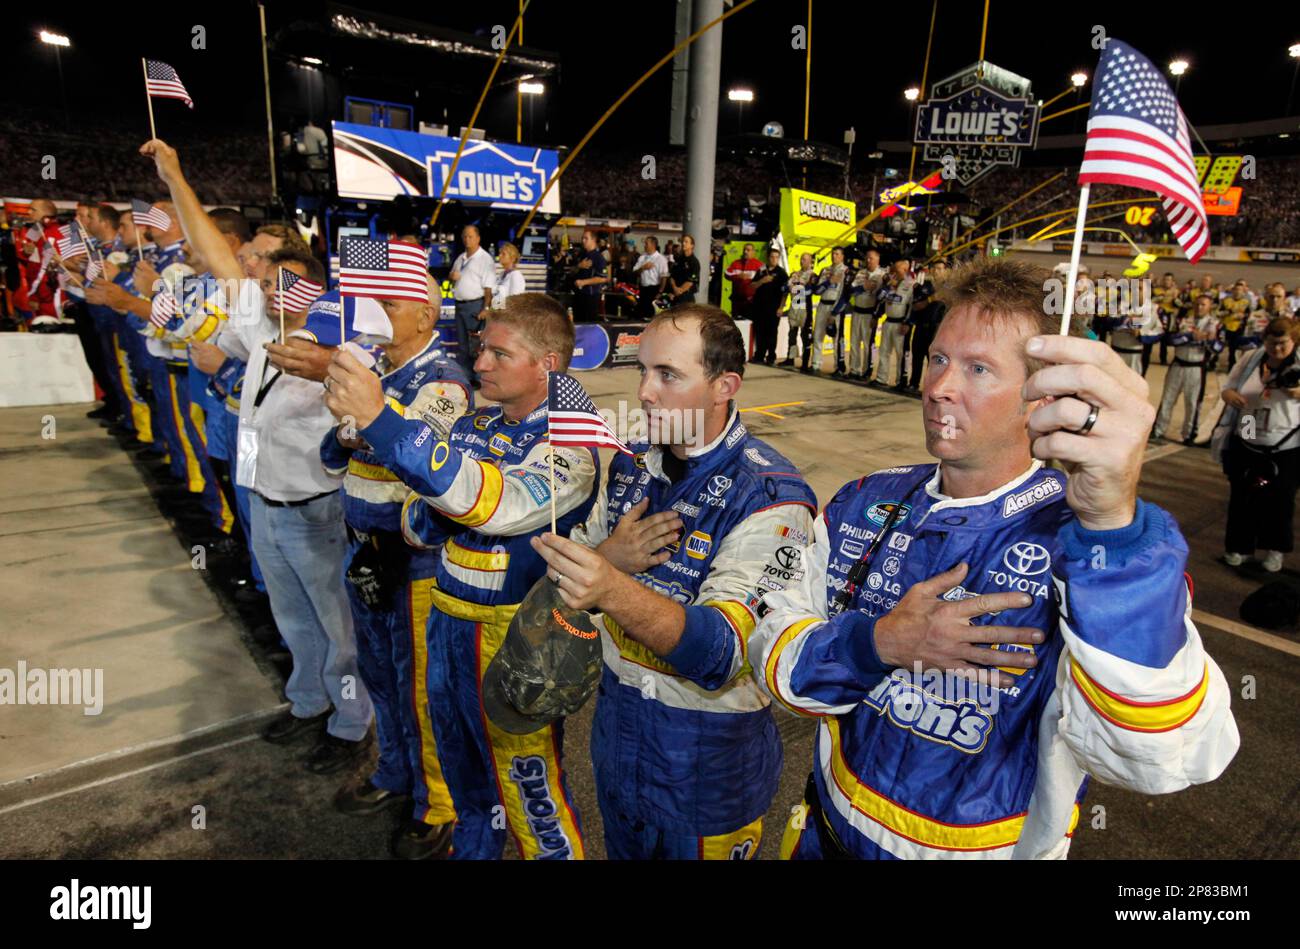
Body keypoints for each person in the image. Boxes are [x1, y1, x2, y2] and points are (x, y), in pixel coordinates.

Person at [752, 255, 1239, 860]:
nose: (938, 387)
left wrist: (1113, 528)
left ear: (1044, 398)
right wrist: (880, 644)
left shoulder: (1091, 545)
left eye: (978, 368)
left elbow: (1167, 755)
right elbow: (775, 661)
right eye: (938, 358)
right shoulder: (861, 500)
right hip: (823, 836)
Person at [531, 304, 817, 859]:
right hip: (616, 737)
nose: (644, 392)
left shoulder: (770, 498)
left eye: (667, 374)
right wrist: (608, 558)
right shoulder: (634, 462)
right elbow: (571, 577)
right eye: (642, 371)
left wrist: (610, 583)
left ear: (724, 386)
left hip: (707, 768)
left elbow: (722, 654)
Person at [323, 293, 597, 859]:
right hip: (446, 616)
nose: (479, 364)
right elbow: (417, 524)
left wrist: (389, 428)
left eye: (499, 354)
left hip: (515, 634)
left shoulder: (573, 444)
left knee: (529, 794)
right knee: (460, 768)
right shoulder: (475, 424)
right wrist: (455, 496)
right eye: (480, 350)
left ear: (547, 364)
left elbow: (489, 507)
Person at [140, 137, 374, 771]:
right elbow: (220, 259)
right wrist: (175, 175)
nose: (265, 290)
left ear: (314, 288)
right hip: (264, 501)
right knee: (291, 616)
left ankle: (353, 724)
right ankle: (308, 702)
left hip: (317, 508)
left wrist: (332, 360)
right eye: (265, 282)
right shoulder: (259, 327)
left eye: (281, 283)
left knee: (338, 628)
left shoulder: (345, 336)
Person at [321, 275, 473, 859]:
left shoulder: (445, 381)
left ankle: (439, 803)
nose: (378, 312)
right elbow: (334, 451)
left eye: (390, 303)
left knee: (422, 688)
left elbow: (409, 451)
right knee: (379, 671)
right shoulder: (376, 372)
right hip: (367, 547)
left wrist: (365, 429)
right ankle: (394, 772)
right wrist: (366, 430)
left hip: (413, 558)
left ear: (425, 317)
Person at [1213, 318, 1300, 572]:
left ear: (1293, 341)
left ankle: (1275, 551)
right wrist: (1230, 396)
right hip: (1249, 422)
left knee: (1281, 499)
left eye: (1283, 344)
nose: (1277, 350)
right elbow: (1227, 388)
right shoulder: (1251, 358)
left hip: (1285, 436)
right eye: (1272, 344)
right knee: (1242, 494)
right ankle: (1238, 547)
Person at [1152, 293, 1219, 445]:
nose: (1199, 307)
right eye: (1197, 304)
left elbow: (1218, 347)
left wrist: (1208, 340)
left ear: (1209, 307)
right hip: (1177, 364)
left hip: (1196, 367)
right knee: (1168, 398)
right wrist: (1190, 336)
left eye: (1203, 305)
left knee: (1193, 402)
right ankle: (1158, 430)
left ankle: (1189, 434)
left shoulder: (1214, 323)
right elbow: (1170, 339)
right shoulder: (1184, 320)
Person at [449, 225, 495, 383]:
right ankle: (466, 378)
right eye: (465, 237)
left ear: (478, 238)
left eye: (470, 236)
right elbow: (452, 277)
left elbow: (488, 287)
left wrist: (486, 308)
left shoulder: (485, 259)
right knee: (462, 344)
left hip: (475, 305)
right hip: (460, 305)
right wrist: (451, 277)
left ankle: (479, 378)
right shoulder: (460, 258)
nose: (467, 239)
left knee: (475, 345)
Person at [874, 258, 915, 389]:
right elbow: (879, 298)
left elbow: (912, 307)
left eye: (896, 270)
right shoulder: (889, 284)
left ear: (905, 270)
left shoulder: (910, 285)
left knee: (901, 354)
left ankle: (901, 381)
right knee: (884, 351)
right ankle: (881, 378)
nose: (894, 273)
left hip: (900, 323)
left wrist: (907, 323)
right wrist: (887, 286)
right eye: (893, 271)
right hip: (888, 321)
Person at [906, 260, 947, 391]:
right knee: (917, 357)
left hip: (938, 330)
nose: (937, 271)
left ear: (945, 271)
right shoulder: (923, 286)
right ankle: (913, 384)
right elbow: (916, 306)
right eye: (935, 268)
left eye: (940, 269)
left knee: (935, 361)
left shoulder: (950, 289)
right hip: (921, 327)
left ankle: (932, 388)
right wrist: (931, 299)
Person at [846, 248, 885, 378]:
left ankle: (867, 371)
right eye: (867, 258)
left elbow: (881, 297)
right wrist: (862, 287)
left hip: (869, 313)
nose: (868, 261)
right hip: (857, 311)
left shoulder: (882, 275)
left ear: (878, 259)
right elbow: (852, 290)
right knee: (854, 342)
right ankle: (854, 369)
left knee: (869, 344)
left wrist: (876, 315)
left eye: (871, 258)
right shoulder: (861, 273)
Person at [810, 246, 849, 375]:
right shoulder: (825, 270)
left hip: (836, 306)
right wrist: (828, 282)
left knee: (837, 338)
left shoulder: (846, 271)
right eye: (833, 254)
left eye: (837, 254)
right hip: (822, 305)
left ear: (842, 256)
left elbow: (845, 295)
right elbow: (817, 291)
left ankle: (839, 367)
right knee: (817, 335)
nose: (834, 256)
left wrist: (835, 312)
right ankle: (815, 364)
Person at [747, 247, 788, 365]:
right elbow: (752, 286)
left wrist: (781, 307)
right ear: (768, 258)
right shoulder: (761, 270)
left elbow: (785, 293)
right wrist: (762, 281)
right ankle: (759, 355)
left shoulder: (782, 273)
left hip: (774, 307)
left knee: (771, 332)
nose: (774, 259)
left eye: (776, 257)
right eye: (772, 257)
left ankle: (771, 357)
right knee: (760, 332)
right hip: (759, 306)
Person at [779, 253, 816, 370]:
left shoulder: (813, 275)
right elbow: (784, 289)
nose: (802, 261)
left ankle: (805, 363)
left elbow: (810, 290)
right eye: (801, 259)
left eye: (805, 260)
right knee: (792, 334)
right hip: (794, 306)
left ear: (810, 262)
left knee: (805, 336)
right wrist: (781, 306)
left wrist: (795, 288)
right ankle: (790, 359)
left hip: (805, 308)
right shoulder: (794, 275)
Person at [572, 229, 608, 322]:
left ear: (593, 240)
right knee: (578, 321)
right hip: (579, 294)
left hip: (590, 295)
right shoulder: (582, 254)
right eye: (582, 238)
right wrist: (579, 266)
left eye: (586, 238)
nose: (583, 240)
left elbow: (603, 278)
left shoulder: (598, 257)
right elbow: (572, 270)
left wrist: (584, 282)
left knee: (588, 323)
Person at [632, 235, 668, 319]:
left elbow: (664, 277)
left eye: (646, 244)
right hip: (643, 289)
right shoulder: (642, 257)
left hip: (654, 289)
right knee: (642, 314)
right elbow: (634, 272)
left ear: (653, 245)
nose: (644, 245)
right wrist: (643, 268)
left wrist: (660, 292)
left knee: (652, 314)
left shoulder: (661, 259)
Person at [724, 243, 762, 318]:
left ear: (753, 252)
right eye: (744, 250)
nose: (745, 252)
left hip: (752, 301)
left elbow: (766, 279)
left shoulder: (760, 265)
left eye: (748, 250)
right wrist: (738, 276)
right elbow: (726, 274)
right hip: (737, 300)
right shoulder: (735, 263)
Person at [490, 241, 527, 310]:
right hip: (496, 313)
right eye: (500, 253)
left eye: (503, 254)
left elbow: (515, 302)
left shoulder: (516, 276)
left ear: (512, 258)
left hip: (507, 316)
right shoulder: (502, 274)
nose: (500, 256)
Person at [667, 234, 701, 306]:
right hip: (674, 295)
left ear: (692, 245)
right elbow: (672, 276)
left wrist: (679, 291)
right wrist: (674, 288)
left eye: (686, 242)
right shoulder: (679, 259)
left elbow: (691, 281)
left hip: (686, 297)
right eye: (682, 242)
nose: (683, 243)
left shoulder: (694, 262)